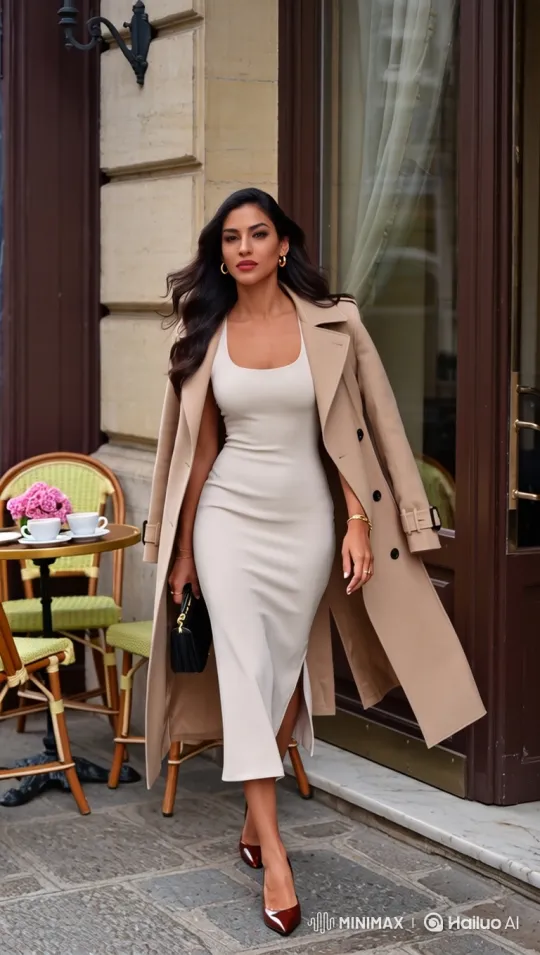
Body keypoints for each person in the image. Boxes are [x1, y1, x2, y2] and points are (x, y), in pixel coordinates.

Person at [142, 187, 486, 937]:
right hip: (228, 520)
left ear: (283, 246)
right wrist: (184, 552)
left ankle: (253, 818)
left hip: (306, 524)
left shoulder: (335, 323)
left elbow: (365, 430)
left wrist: (362, 521)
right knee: (244, 673)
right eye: (230, 237)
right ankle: (275, 856)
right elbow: (200, 454)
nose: (244, 248)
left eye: (257, 234)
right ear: (220, 254)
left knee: (285, 675)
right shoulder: (205, 332)